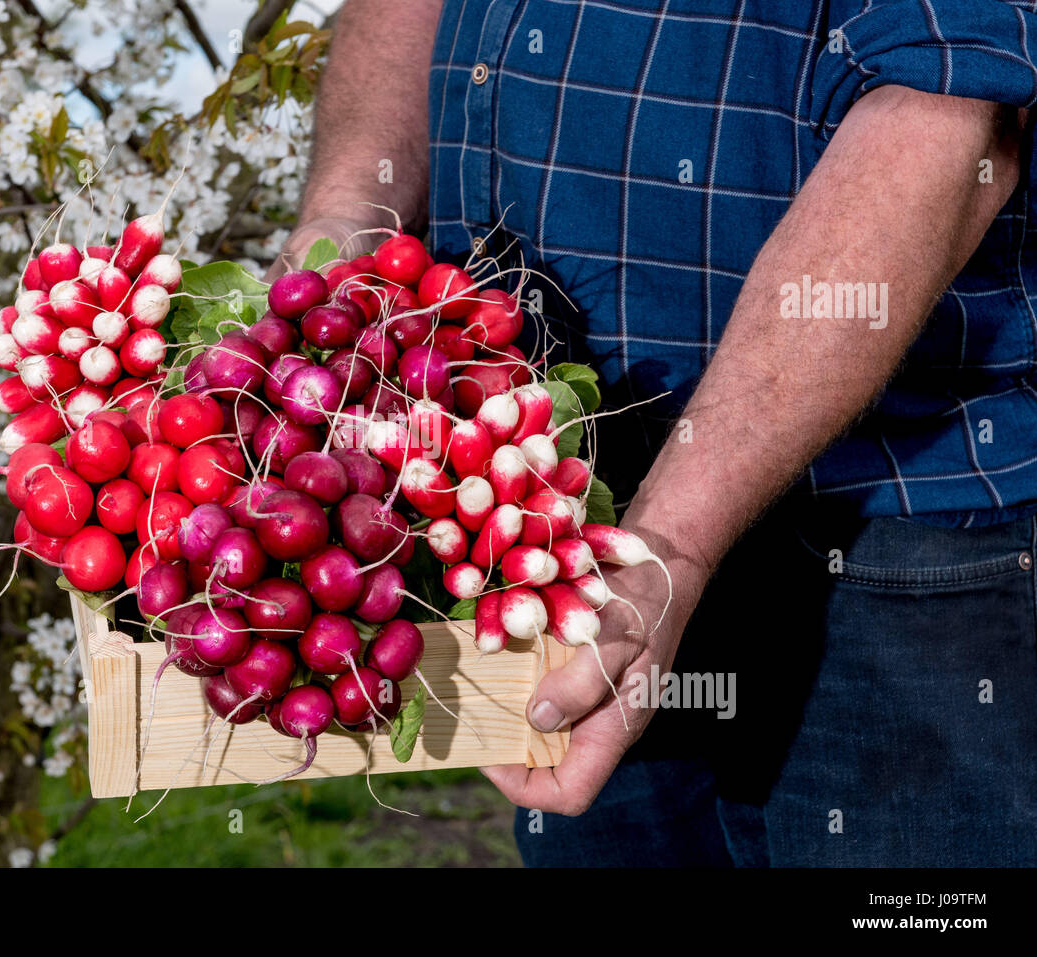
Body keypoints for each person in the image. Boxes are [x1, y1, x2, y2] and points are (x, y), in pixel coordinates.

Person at [273, 0, 1037, 866]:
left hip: (879, 540)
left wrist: (669, 546)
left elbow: (944, 109)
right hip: (552, 532)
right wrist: (341, 243)